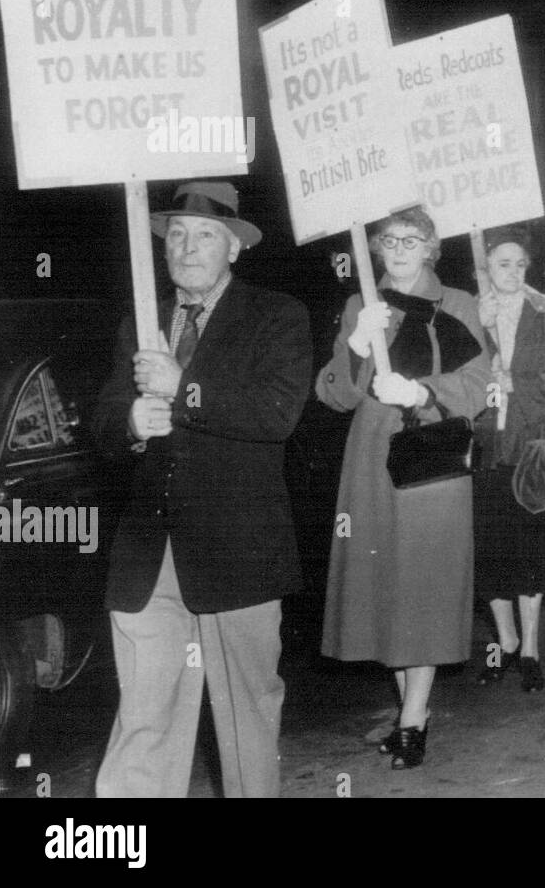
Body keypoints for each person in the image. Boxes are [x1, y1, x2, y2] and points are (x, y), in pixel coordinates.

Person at [91, 181, 312, 797]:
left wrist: (184, 386)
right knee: (144, 718)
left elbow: (276, 414)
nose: (187, 249)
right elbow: (104, 423)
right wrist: (131, 423)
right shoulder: (140, 319)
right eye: (177, 235)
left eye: (205, 235)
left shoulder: (277, 316)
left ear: (234, 248)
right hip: (148, 557)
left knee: (245, 718)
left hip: (238, 551)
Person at [317, 207, 490, 769]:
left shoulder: (458, 303)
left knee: (425, 583)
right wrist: (359, 346)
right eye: (388, 240)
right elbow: (334, 395)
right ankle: (409, 710)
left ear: (431, 246)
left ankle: (413, 718)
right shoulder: (358, 305)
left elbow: (480, 383)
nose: (398, 249)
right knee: (387, 584)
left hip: (432, 453)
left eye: (411, 240)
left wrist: (420, 393)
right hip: (371, 454)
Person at [473, 229, 545, 691]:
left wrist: (525, 391)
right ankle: (506, 642)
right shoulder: (469, 312)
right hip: (484, 446)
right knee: (491, 551)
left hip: (532, 445)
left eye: (520, 264)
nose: (514, 273)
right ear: (485, 269)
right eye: (503, 264)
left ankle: (532, 650)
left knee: (532, 548)